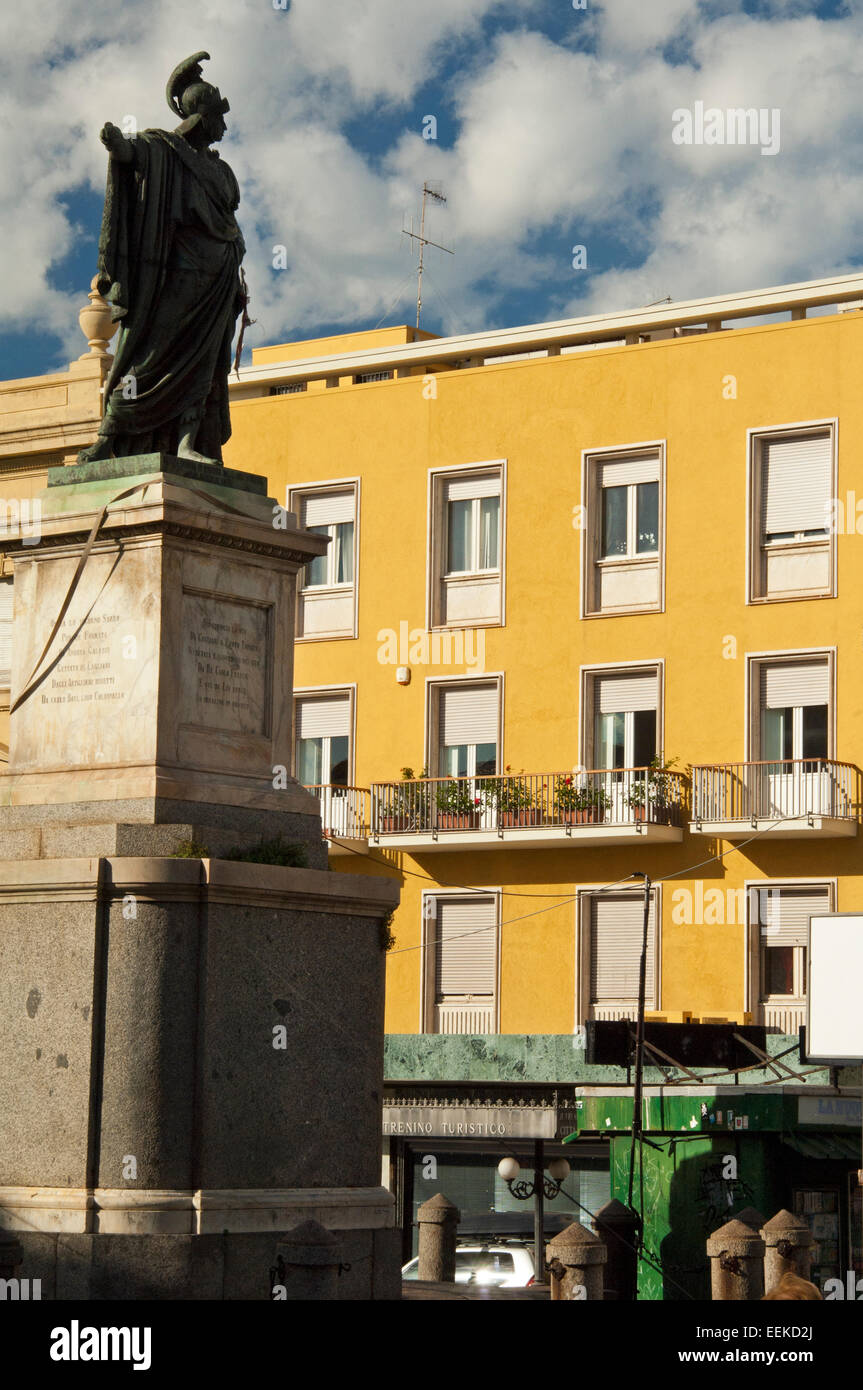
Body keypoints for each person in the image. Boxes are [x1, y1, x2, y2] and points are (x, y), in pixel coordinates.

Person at [79, 52, 247, 466]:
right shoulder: (163, 149)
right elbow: (138, 158)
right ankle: (110, 433)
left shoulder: (223, 173)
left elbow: (229, 219)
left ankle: (189, 445)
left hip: (217, 281)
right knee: (147, 353)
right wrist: (119, 149)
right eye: (218, 117)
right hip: (175, 276)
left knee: (204, 365)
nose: (224, 126)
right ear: (201, 117)